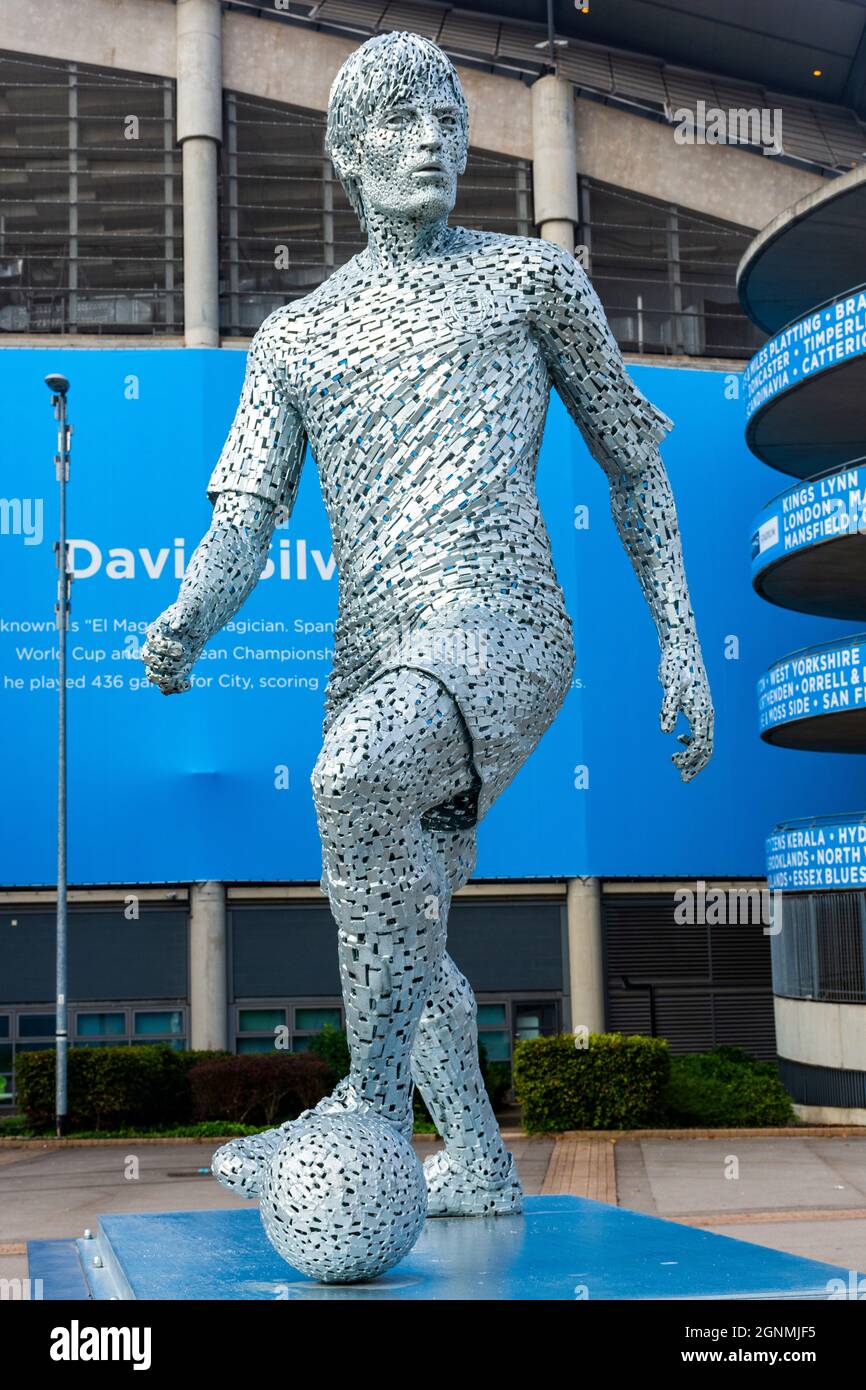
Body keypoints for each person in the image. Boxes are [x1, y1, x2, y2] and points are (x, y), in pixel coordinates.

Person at [141, 31, 713, 1217]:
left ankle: (358, 1100)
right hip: (372, 652)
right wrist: (190, 619)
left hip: (502, 623)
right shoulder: (293, 339)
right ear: (348, 155)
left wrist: (680, 640)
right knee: (399, 918)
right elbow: (244, 520)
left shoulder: (529, 280)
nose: (431, 142)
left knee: (349, 782)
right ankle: (482, 1170)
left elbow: (632, 463)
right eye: (401, 123)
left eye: (448, 120)